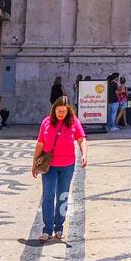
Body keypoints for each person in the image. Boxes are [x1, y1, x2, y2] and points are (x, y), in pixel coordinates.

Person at [32, 95, 87, 242]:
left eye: (64, 111)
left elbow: (81, 139)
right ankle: (47, 229)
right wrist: (34, 163)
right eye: (59, 111)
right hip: (49, 166)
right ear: (54, 109)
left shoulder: (73, 122)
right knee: (48, 196)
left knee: (63, 196)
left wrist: (84, 155)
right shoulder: (46, 122)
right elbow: (40, 144)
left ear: (68, 111)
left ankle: (59, 227)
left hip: (67, 165)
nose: (61, 114)